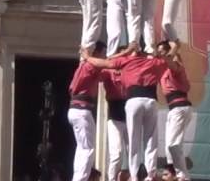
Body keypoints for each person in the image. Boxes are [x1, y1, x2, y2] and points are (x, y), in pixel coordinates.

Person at [82, 46, 172, 180]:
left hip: (133, 101)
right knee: (149, 140)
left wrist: (88, 58)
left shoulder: (126, 61)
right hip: (145, 102)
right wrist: (159, 54)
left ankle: (136, 175)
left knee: (134, 142)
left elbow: (105, 62)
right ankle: (149, 174)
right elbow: (168, 61)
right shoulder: (152, 62)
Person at [68, 43, 107, 181]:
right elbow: (107, 64)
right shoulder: (90, 65)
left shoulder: (83, 66)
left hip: (76, 110)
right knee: (87, 149)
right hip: (82, 110)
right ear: (97, 53)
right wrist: (89, 57)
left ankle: (78, 177)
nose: (104, 56)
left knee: (81, 148)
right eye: (103, 53)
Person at [158, 41, 194, 180]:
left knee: (174, 145)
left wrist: (174, 47)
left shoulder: (175, 67)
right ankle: (172, 170)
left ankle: (183, 175)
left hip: (180, 107)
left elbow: (170, 61)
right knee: (169, 145)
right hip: (174, 109)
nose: (159, 54)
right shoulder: (162, 69)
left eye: (162, 51)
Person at [101, 63, 129, 181]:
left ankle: (133, 177)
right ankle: (111, 179)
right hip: (114, 120)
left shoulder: (129, 75)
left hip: (129, 120)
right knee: (116, 153)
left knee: (132, 151)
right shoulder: (108, 73)